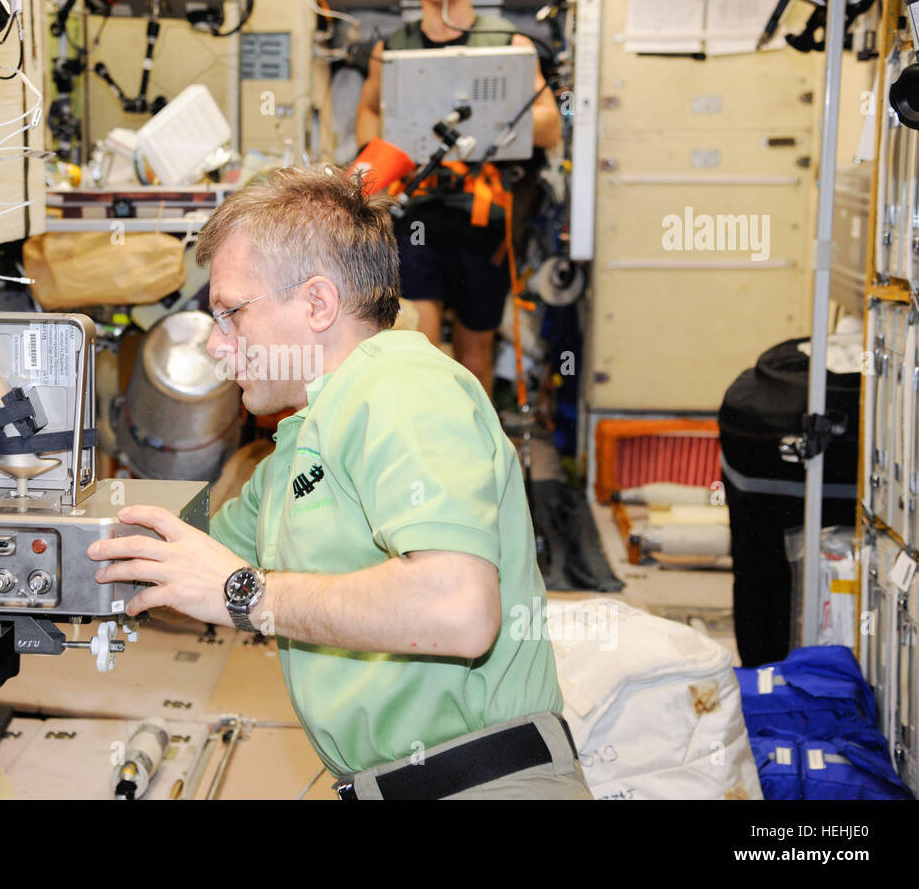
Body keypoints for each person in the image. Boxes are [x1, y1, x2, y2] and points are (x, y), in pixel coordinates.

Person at [89, 165, 590, 799]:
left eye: (230, 314)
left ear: (318, 303)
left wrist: (246, 593)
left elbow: (458, 609)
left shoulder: (402, 384)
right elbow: (171, 569)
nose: (218, 347)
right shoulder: (298, 452)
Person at [355, 0, 562, 396]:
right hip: (415, 216)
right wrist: (395, 140)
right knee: (418, 349)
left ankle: (474, 455)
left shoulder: (509, 44)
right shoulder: (392, 50)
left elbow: (550, 126)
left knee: (474, 356)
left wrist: (497, 126)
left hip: (481, 219)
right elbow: (367, 115)